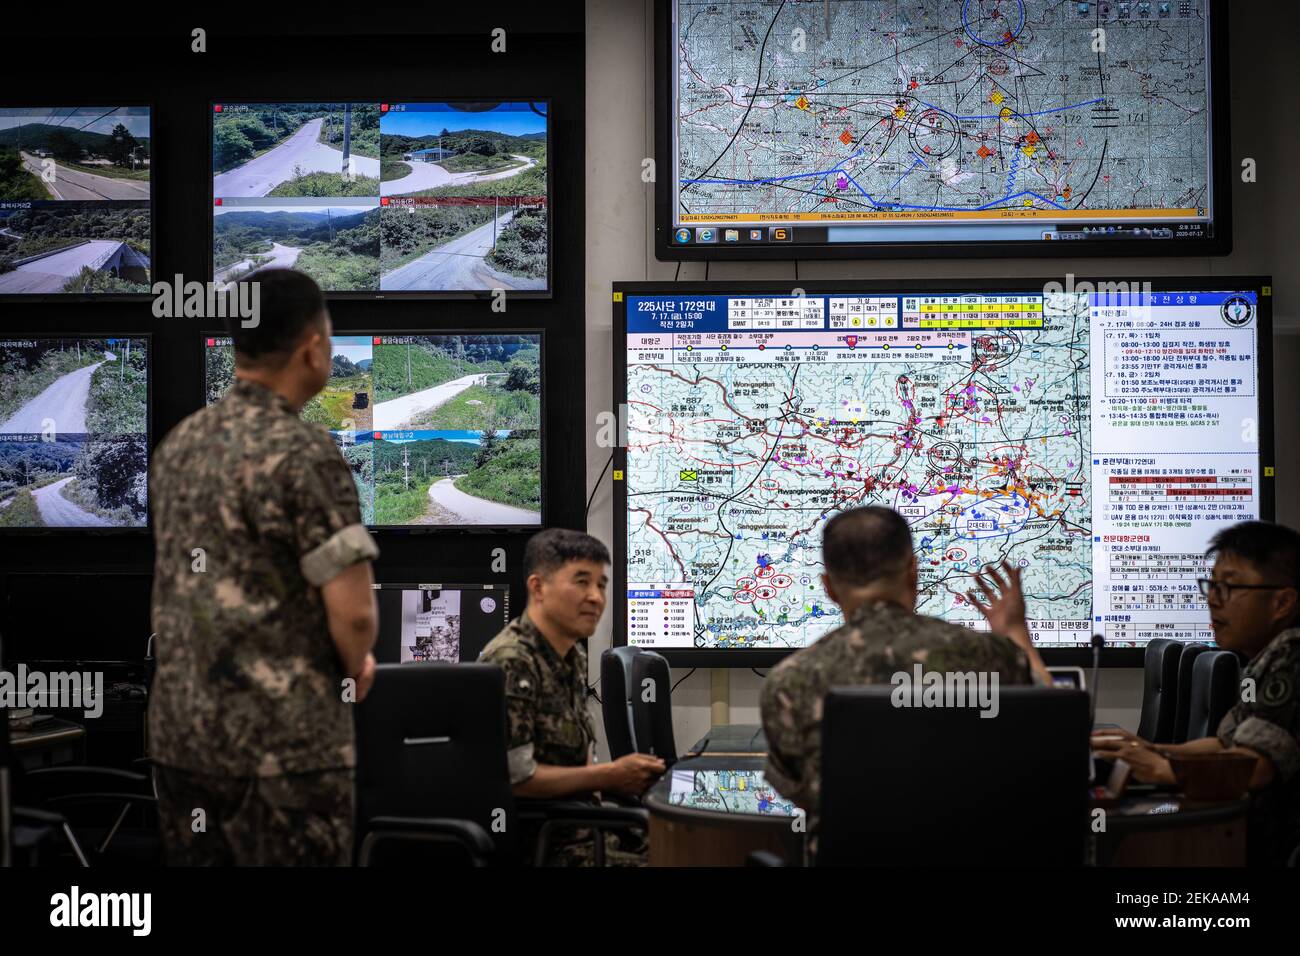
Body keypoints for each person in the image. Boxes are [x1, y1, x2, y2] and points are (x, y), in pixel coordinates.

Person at [149, 269, 380, 865]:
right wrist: (357, 667)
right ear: (313, 347)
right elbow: (354, 615)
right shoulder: (305, 453)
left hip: (182, 741)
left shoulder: (180, 445)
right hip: (284, 751)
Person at [760, 506, 1053, 859]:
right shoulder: (990, 657)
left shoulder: (789, 683)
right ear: (914, 571)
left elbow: (803, 792)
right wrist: (1016, 635)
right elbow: (1057, 744)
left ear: (829, 588)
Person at [1092, 520, 1300, 865]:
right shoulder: (1263, 658)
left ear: (1282, 602)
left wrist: (1164, 770)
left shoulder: (1292, 656)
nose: (1214, 602)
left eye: (1230, 588)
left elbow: (1257, 766)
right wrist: (1150, 749)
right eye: (1212, 586)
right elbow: (1227, 744)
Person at [479, 528, 665, 865]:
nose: (596, 597)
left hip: (588, 827)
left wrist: (621, 781)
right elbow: (517, 780)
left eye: (601, 585)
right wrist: (608, 775)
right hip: (549, 846)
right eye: (581, 582)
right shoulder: (512, 661)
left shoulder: (572, 656)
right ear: (537, 587)